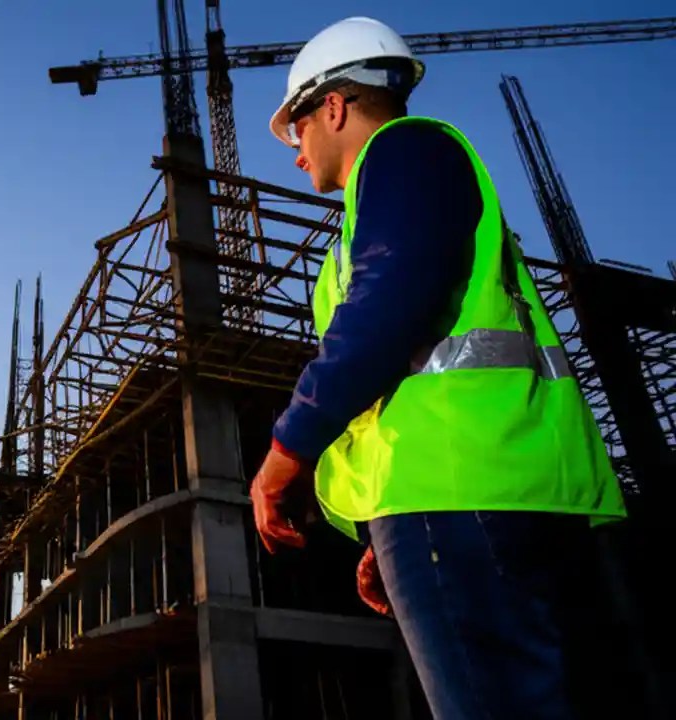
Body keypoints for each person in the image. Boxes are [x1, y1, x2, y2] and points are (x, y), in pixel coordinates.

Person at [246, 16, 628, 720]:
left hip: (458, 496)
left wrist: (287, 448)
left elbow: (394, 299)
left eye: (296, 126)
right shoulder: (411, 184)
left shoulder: (405, 151)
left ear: (332, 106)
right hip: (495, 496)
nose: (295, 152)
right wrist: (379, 532)